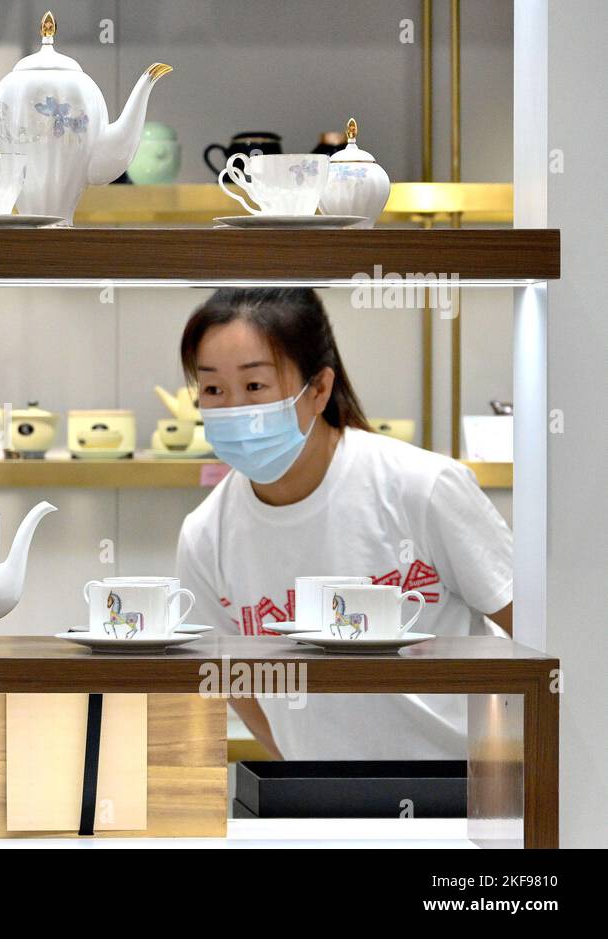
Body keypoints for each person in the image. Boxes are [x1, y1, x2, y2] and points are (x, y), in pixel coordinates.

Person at [174, 288, 513, 759]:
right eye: (213, 389)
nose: (234, 409)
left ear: (319, 389)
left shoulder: (423, 488)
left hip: (464, 796)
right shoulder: (204, 535)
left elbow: (537, 628)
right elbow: (235, 682)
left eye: (255, 387)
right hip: (326, 804)